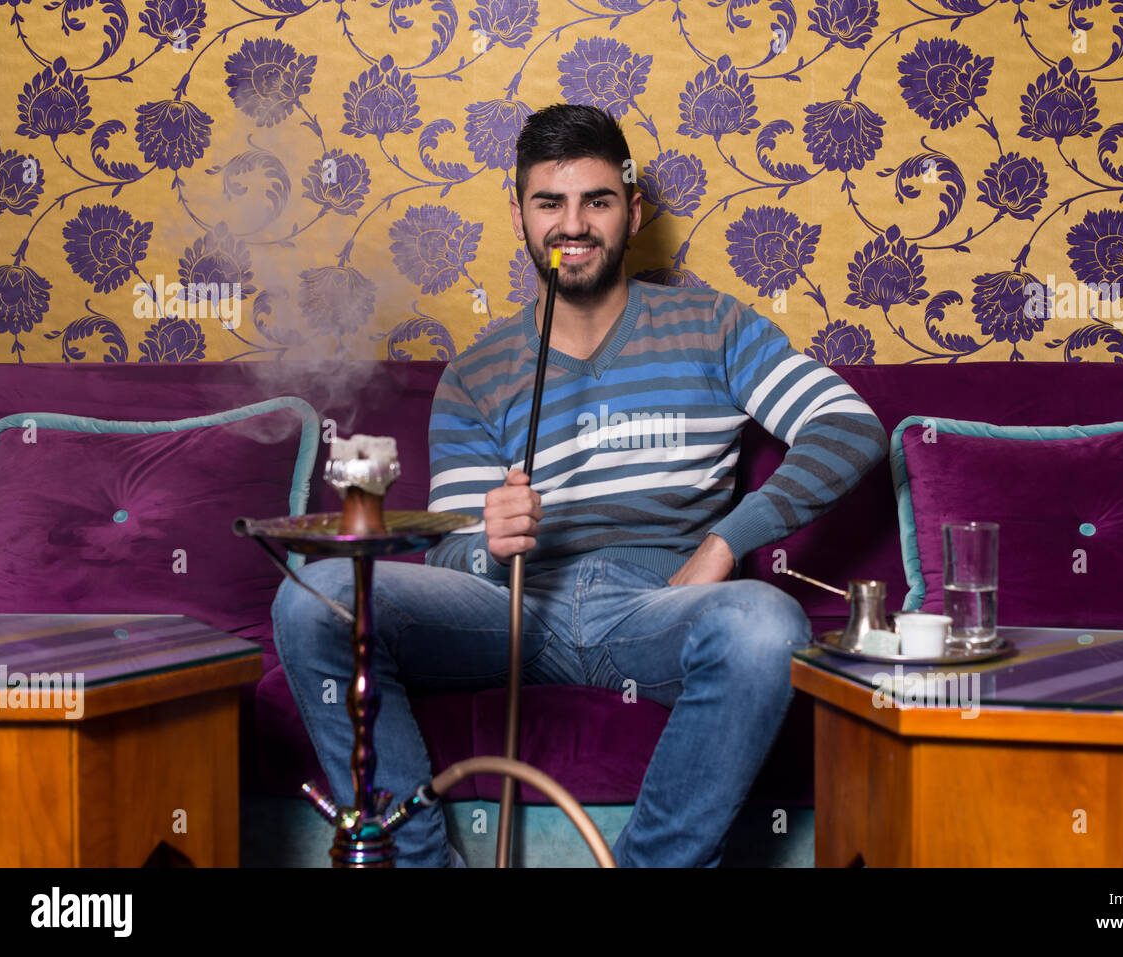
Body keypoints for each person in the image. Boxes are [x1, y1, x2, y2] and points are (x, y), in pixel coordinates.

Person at [272, 103, 888, 867]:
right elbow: (450, 559)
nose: (574, 225)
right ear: (520, 213)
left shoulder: (714, 327)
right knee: (317, 596)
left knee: (766, 627)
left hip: (657, 606)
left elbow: (851, 427)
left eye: (596, 201)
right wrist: (486, 544)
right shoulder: (477, 372)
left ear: (631, 211)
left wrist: (727, 541)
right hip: (512, 607)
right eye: (550, 203)